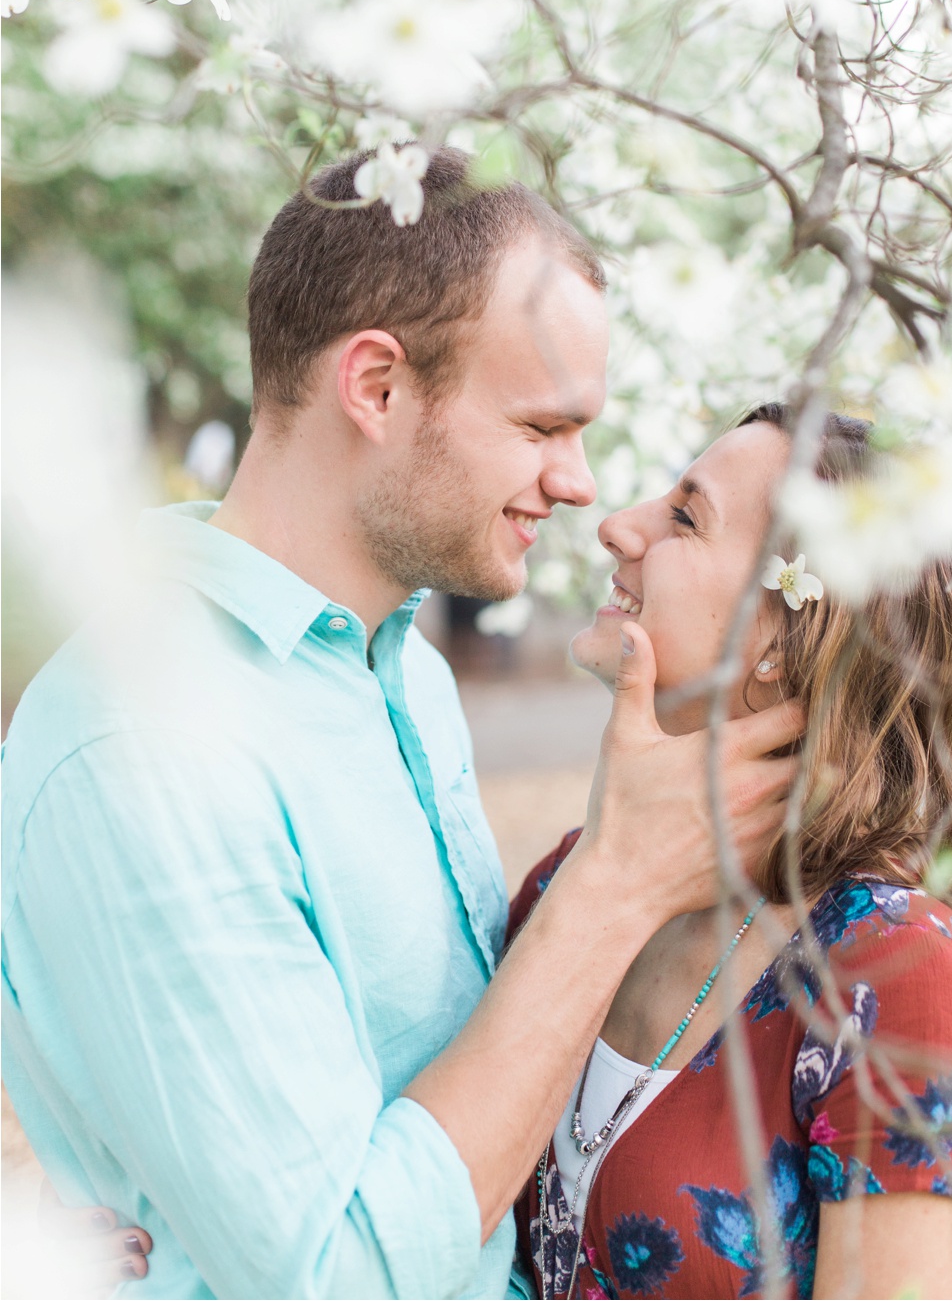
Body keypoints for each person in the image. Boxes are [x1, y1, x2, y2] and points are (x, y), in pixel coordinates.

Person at [1, 148, 803, 1300]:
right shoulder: (142, 741)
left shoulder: (400, 672)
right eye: (541, 425)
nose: (579, 484)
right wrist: (617, 882)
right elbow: (338, 1278)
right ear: (374, 386)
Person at [510, 405, 952, 1301]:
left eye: (684, 516)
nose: (616, 524)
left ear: (785, 643)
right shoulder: (562, 886)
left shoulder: (892, 976)